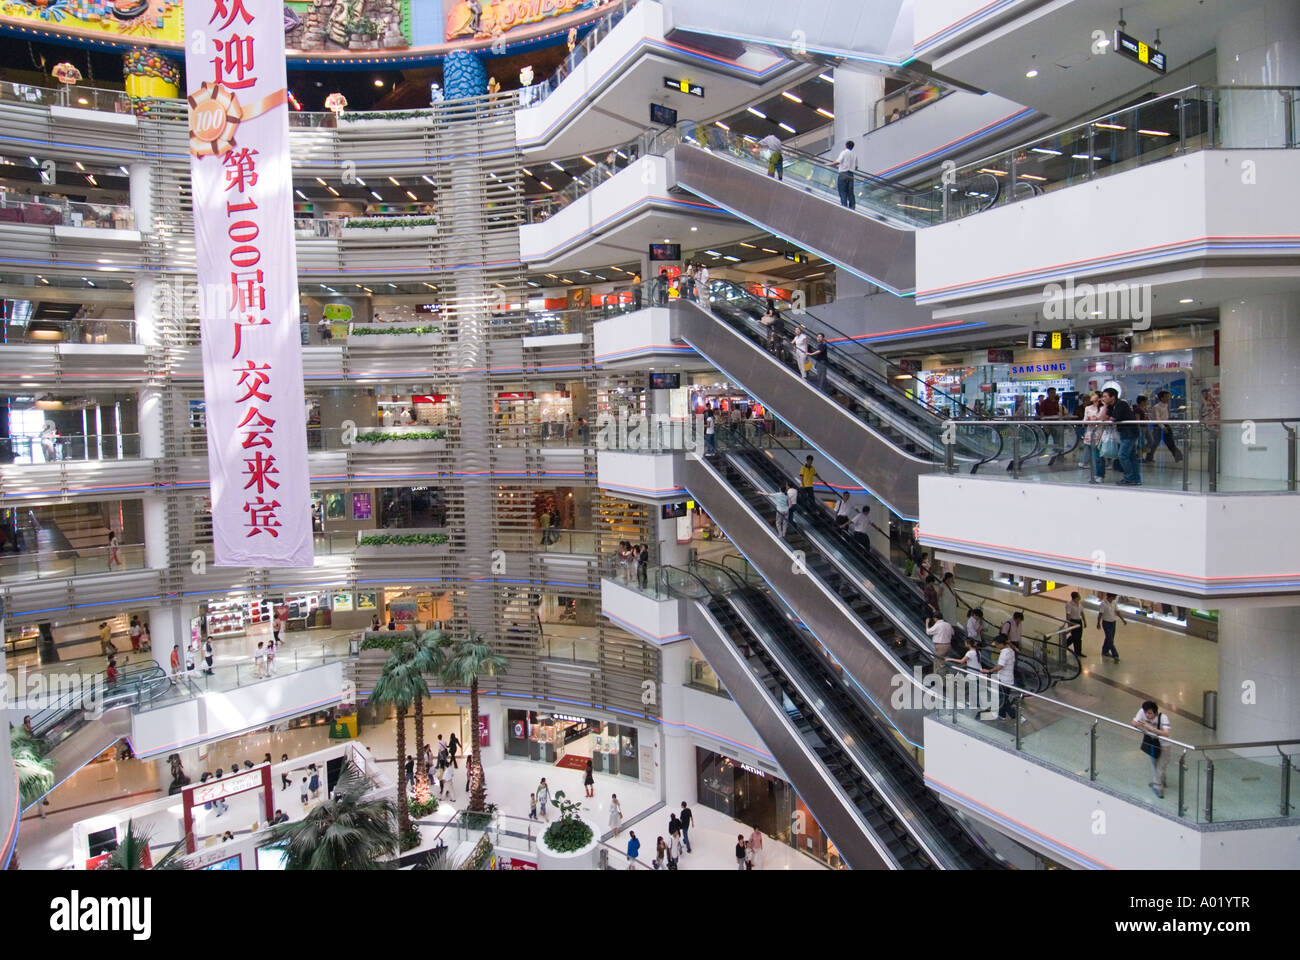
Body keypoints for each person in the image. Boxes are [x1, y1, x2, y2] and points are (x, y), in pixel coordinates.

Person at [1132, 700, 1172, 798]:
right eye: (1146, 713)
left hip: (1164, 744)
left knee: (1161, 765)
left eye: (1150, 713)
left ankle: (1158, 787)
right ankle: (1162, 781)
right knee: (1155, 763)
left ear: (1155, 712)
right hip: (1153, 743)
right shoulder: (1142, 712)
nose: (1147, 715)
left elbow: (1166, 733)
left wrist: (1150, 728)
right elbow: (1133, 722)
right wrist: (1140, 724)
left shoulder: (1163, 718)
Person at [1102, 388, 1142, 485]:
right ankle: (1135, 478)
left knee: (1123, 455)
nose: (1103, 398)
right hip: (1124, 433)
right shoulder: (1112, 406)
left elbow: (1113, 419)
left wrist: (1109, 417)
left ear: (1113, 397)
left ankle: (1129, 478)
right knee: (1131, 456)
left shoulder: (1121, 404)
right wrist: (1105, 406)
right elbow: (1103, 418)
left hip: (1130, 432)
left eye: (1105, 396)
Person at [981, 635, 1020, 721]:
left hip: (1003, 680)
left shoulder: (1004, 652)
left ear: (1002, 644)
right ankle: (1002, 715)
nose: (996, 646)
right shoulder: (1011, 650)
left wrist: (989, 671)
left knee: (1003, 699)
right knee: (1003, 698)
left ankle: (1014, 715)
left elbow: (1000, 666)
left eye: (997, 644)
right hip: (1009, 679)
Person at [1145, 390, 1183, 464]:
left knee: (1170, 442)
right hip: (1158, 426)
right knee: (1155, 442)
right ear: (1162, 398)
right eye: (1167, 397)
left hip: (1166, 425)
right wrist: (1163, 427)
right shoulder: (1156, 407)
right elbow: (1157, 419)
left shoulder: (1166, 405)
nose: (1169, 398)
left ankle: (1178, 456)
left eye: (1169, 396)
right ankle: (1149, 457)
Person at [1083, 391, 1110, 483]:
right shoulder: (1087, 408)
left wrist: (1096, 420)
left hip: (1100, 433)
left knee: (1098, 456)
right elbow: (1085, 420)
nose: (1091, 396)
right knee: (1093, 455)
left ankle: (1100, 474)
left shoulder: (1103, 408)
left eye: (1094, 395)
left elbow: (1103, 419)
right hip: (1090, 433)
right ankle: (1095, 474)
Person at [1097, 593, 1124, 662]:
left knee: (1109, 638)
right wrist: (1098, 623)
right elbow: (1100, 614)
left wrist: (1123, 619)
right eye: (1115, 596)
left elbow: (1117, 612)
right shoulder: (1103, 604)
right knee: (1110, 640)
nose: (1115, 597)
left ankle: (1104, 651)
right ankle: (1115, 655)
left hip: (1113, 623)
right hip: (1106, 623)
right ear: (1111, 597)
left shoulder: (1114, 602)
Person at [835, 140, 858, 208]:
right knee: (850, 192)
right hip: (851, 175)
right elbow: (856, 167)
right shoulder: (854, 155)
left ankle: (844, 206)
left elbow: (838, 162)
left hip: (843, 174)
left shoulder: (844, 152)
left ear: (846, 146)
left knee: (842, 192)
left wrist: (828, 164)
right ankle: (852, 207)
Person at [1064, 592, 1085, 658]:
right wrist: (1069, 624)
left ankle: (1078, 651)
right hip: (1073, 621)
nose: (1080, 597)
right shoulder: (1069, 604)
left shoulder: (1079, 603)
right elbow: (1068, 615)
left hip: (1079, 621)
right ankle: (1064, 645)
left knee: (1078, 637)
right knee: (1075, 637)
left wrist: (1084, 621)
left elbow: (1082, 612)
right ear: (1075, 597)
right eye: (1079, 596)